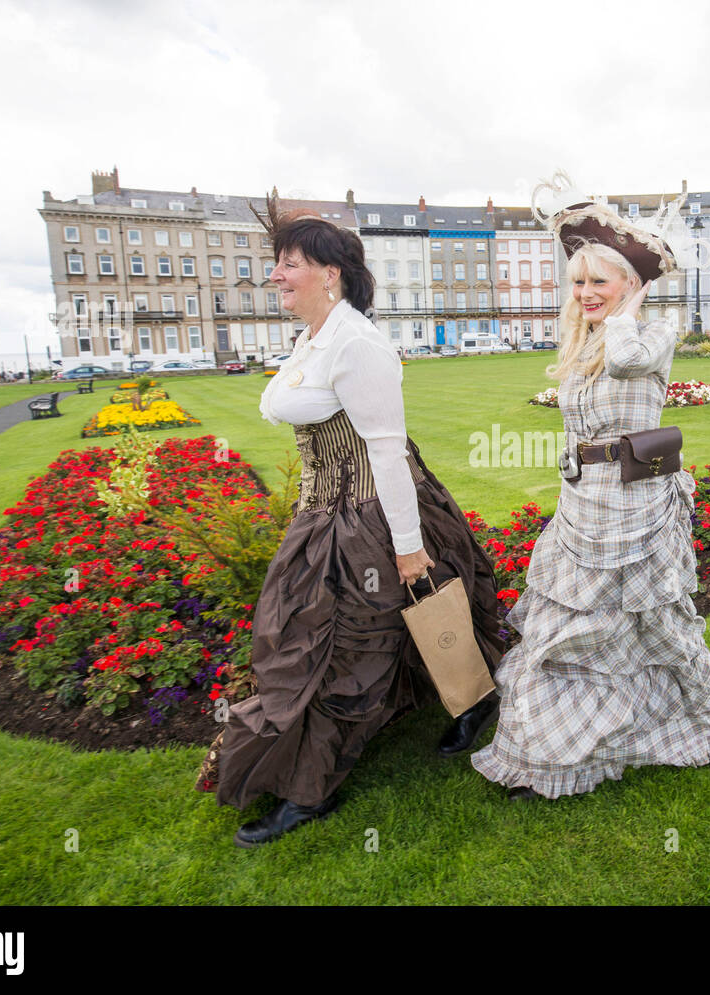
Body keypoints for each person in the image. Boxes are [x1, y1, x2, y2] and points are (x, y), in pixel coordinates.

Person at [199, 196, 504, 847]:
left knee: (340, 653)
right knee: (315, 638)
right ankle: (471, 697)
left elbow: (388, 452)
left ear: (329, 271)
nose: (275, 275)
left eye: (289, 263)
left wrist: (407, 549)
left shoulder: (359, 344)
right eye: (276, 263)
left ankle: (311, 789)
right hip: (320, 512)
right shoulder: (313, 338)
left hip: (366, 513)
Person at [471, 175, 710, 801]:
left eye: (600, 280)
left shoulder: (653, 333)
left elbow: (627, 364)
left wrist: (626, 312)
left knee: (664, 628)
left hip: (641, 505)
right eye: (578, 281)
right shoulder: (583, 341)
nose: (586, 292)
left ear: (630, 285)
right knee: (567, 634)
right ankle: (547, 758)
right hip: (583, 505)